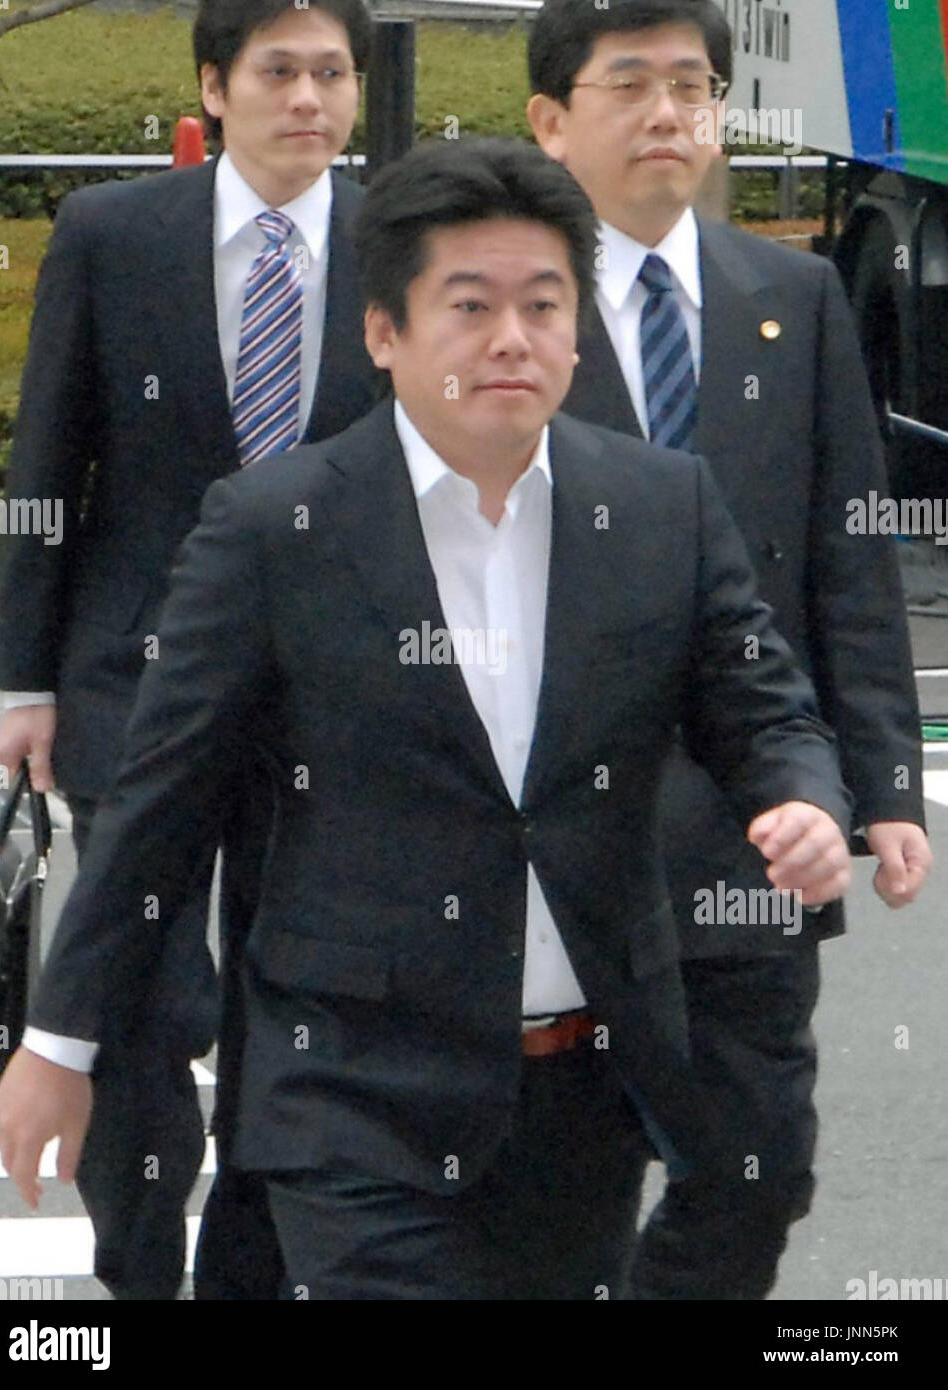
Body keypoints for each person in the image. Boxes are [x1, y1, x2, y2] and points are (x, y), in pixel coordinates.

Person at [0, 136, 856, 1301]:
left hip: (581, 1079)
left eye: (544, 304)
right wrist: (61, 1045)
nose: (513, 337)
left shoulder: (658, 507)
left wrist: (799, 795)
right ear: (383, 332)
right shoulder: (273, 528)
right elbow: (158, 802)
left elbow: (759, 704)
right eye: (471, 304)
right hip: (354, 1088)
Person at [526, 0, 931, 1299]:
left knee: (758, 1167)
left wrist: (880, 785)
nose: (669, 112)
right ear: (550, 119)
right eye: (630, 82)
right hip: (560, 839)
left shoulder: (791, 294)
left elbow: (845, 559)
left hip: (761, 828)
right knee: (564, 1183)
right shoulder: (498, 308)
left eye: (694, 86)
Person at [0, 0, 377, 1300]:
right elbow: (51, 458)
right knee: (140, 1010)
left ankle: (245, 1276)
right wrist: (26, 681)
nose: (307, 99)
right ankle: (139, 1273)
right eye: (278, 71)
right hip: (133, 687)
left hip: (329, 705)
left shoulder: (400, 243)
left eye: (331, 72)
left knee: (289, 1015)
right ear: (214, 83)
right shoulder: (113, 235)